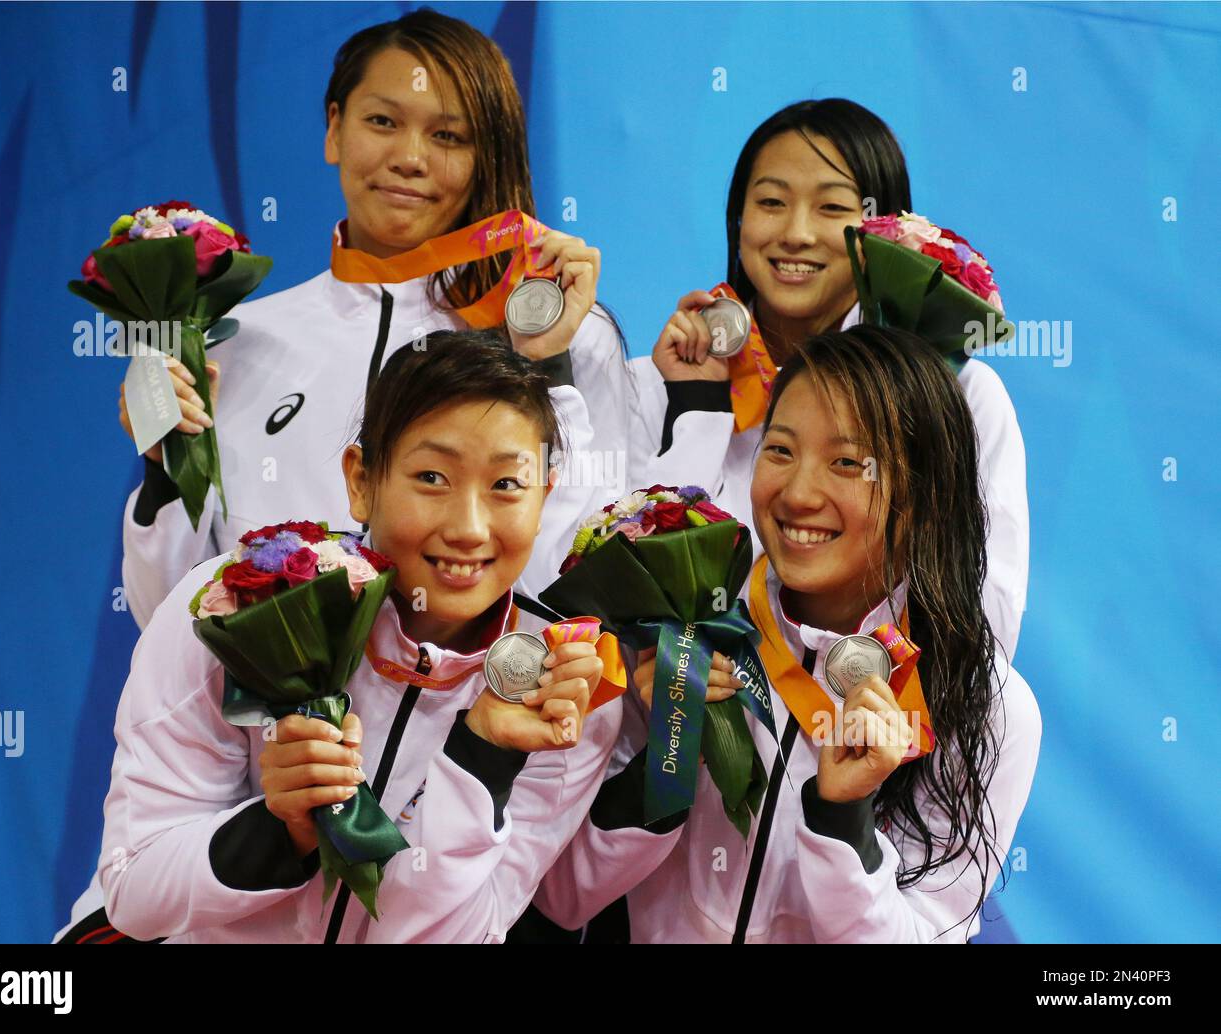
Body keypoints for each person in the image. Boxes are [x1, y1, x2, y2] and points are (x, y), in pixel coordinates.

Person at [84, 331, 621, 943]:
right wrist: (281, 828)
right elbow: (135, 889)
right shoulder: (239, 602)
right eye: (432, 477)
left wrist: (486, 756)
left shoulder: (566, 688)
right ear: (362, 480)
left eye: (506, 486)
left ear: (544, 497)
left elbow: (454, 934)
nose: (471, 529)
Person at [116, 9, 630, 629]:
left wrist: (548, 362)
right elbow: (167, 616)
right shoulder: (235, 343)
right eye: (382, 122)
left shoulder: (567, 334)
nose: (409, 158)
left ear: (486, 155)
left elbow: (579, 583)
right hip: (271, 723)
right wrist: (165, 470)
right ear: (335, 129)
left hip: (480, 716)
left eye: (448, 136)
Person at [535, 325, 1042, 942]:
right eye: (779, 450)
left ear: (928, 495)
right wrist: (666, 763)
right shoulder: (686, 626)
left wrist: (844, 819)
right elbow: (563, 898)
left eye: (848, 463)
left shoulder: (984, 703)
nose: (798, 493)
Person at [631, 99, 1028, 659]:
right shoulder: (655, 381)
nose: (795, 234)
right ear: (737, 219)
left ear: (883, 233)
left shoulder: (958, 395)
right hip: (697, 716)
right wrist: (694, 405)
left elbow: (988, 608)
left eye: (831, 207)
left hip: (889, 723)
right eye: (770, 202)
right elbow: (626, 587)